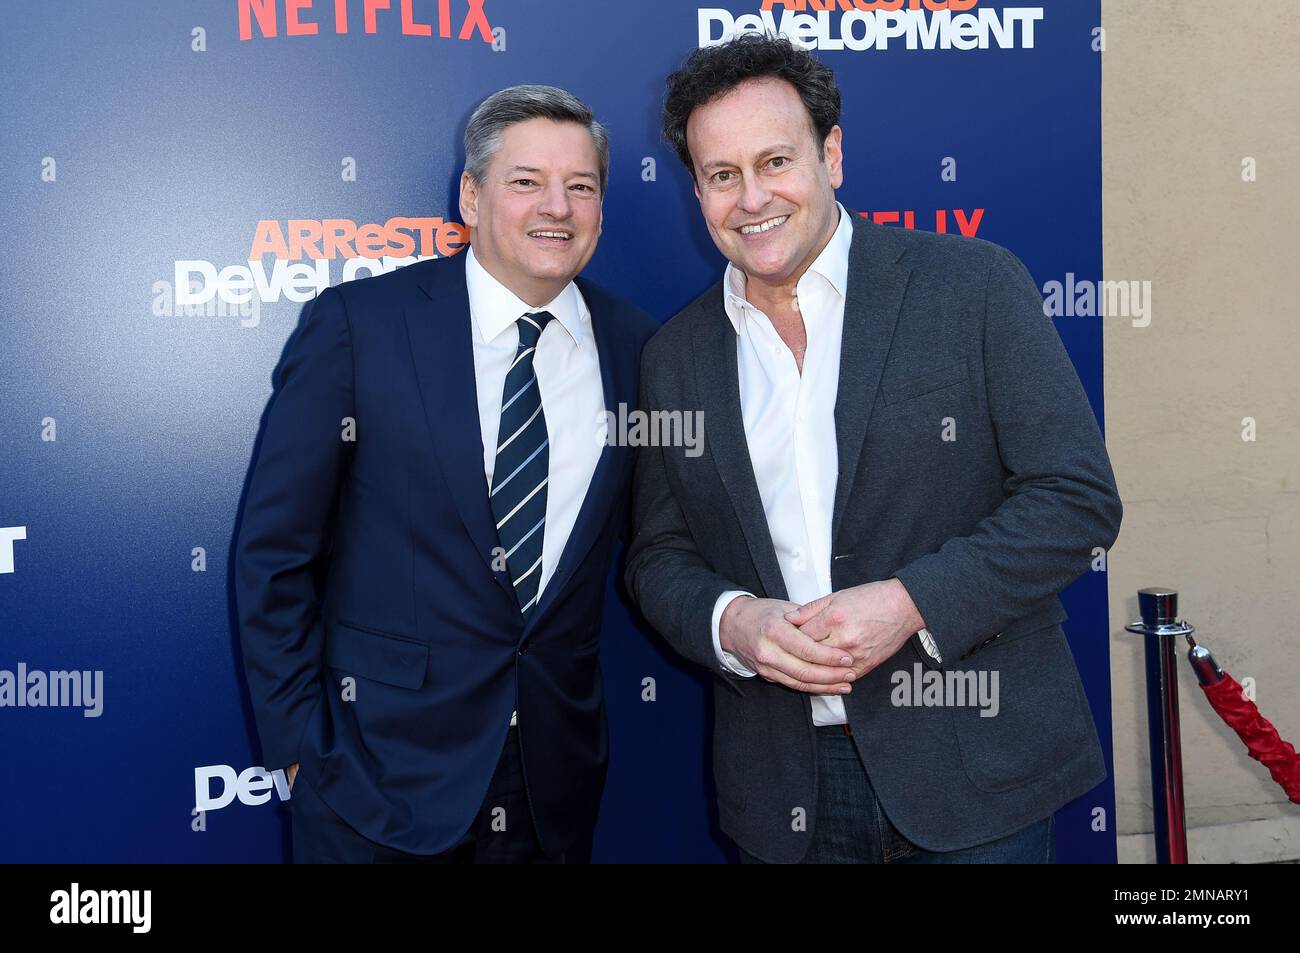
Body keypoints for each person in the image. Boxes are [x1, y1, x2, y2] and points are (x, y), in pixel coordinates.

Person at [625, 34, 1123, 864]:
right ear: (698, 189)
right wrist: (731, 620)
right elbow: (658, 554)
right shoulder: (674, 354)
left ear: (832, 155)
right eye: (721, 175)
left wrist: (909, 600)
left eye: (776, 160)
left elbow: (1076, 499)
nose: (752, 198)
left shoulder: (974, 286)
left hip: (976, 771)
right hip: (784, 792)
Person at [236, 85, 657, 863]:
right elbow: (274, 552)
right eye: (526, 181)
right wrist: (302, 749)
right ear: (471, 194)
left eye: (582, 186)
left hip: (551, 791)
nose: (555, 207)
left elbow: (653, 545)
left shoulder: (638, 347)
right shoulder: (358, 326)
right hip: (372, 783)